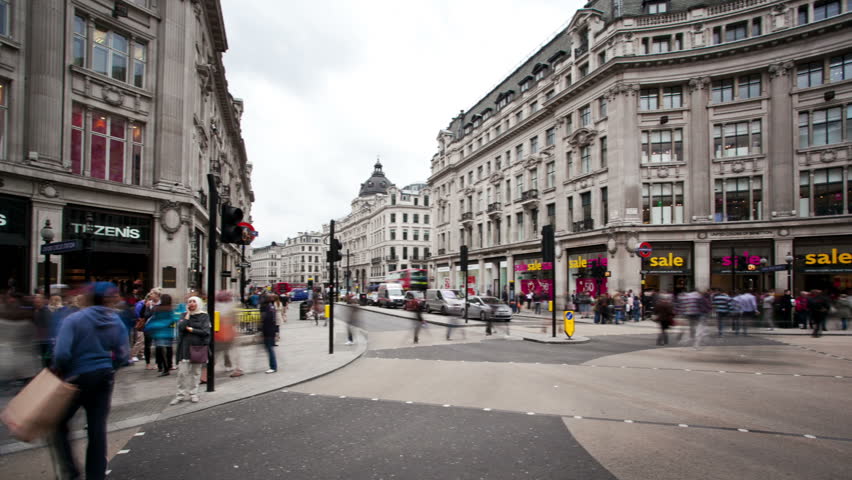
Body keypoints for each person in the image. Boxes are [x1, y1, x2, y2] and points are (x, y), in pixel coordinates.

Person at [51, 282, 129, 480]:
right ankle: (96, 475)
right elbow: (122, 354)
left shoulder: (74, 319)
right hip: (103, 378)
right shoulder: (115, 321)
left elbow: (61, 354)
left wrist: (63, 370)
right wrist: (111, 369)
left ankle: (71, 471)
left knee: (58, 423)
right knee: (97, 429)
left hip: (77, 377)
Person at [170, 296, 210, 405]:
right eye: (189, 302)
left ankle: (193, 393)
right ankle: (180, 394)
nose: (191, 303)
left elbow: (205, 331)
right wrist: (187, 315)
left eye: (194, 301)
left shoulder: (204, 316)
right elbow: (181, 327)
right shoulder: (184, 315)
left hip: (198, 346)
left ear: (198, 303)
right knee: (182, 373)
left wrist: (192, 329)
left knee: (195, 373)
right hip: (185, 347)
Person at [144, 293, 176, 376]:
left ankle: (162, 367)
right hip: (168, 332)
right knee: (168, 349)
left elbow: (153, 318)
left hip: (159, 332)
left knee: (160, 350)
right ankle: (168, 366)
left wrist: (150, 327)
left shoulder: (157, 308)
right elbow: (173, 319)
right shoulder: (170, 309)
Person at [215, 290, 243, 377]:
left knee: (218, 352)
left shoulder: (216, 308)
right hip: (229, 334)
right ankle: (237, 368)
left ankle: (231, 366)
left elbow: (215, 324)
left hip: (220, 335)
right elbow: (235, 322)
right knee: (232, 352)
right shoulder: (232, 308)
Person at [260, 294, 278, 373]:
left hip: (268, 330)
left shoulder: (266, 307)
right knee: (269, 348)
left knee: (270, 349)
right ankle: (273, 366)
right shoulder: (271, 306)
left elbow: (266, 319)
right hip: (271, 330)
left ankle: (273, 367)